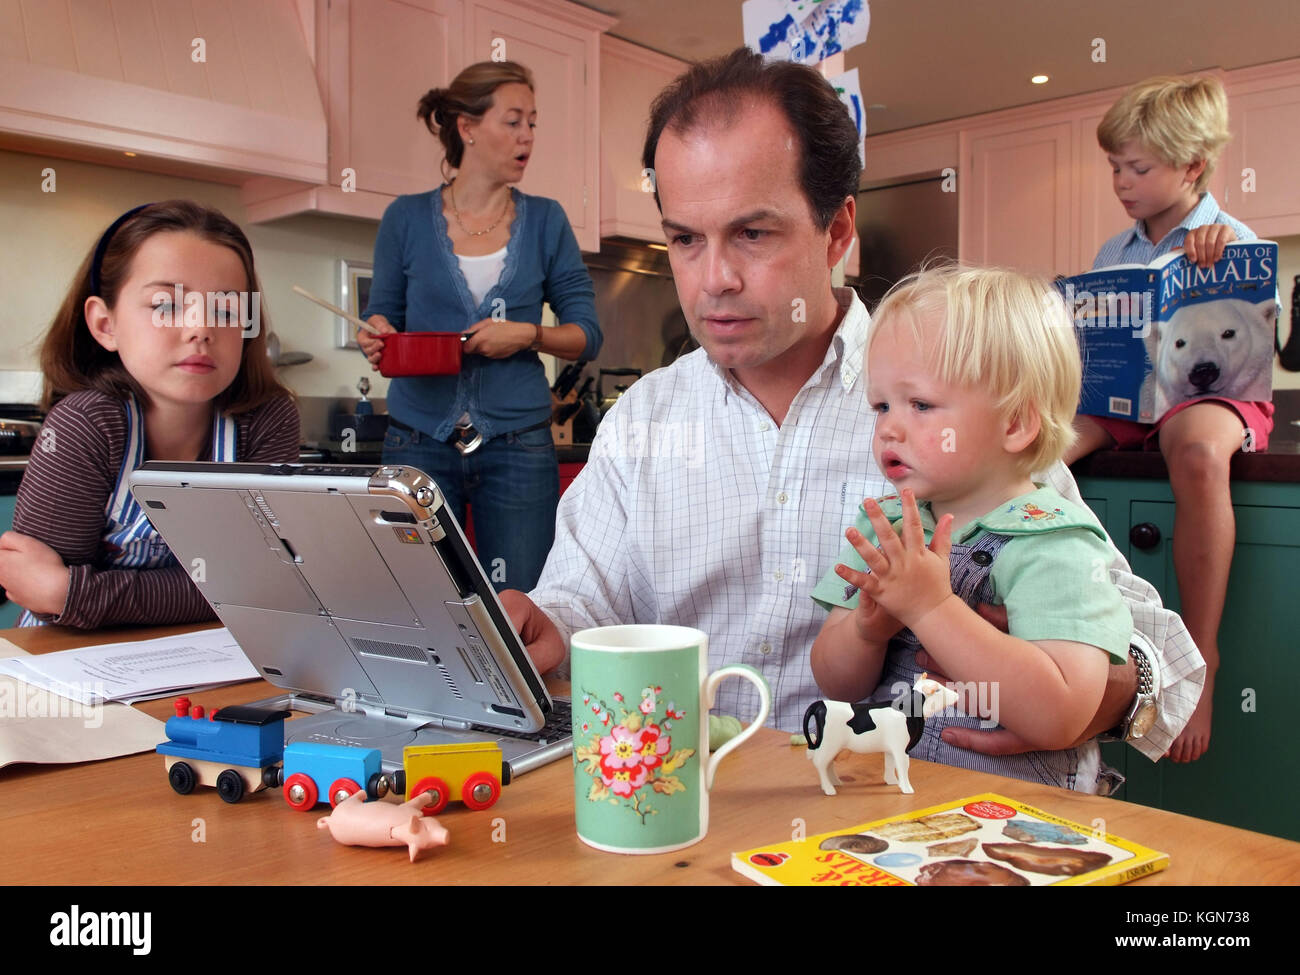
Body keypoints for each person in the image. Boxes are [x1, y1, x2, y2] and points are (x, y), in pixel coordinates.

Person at [501, 47, 1204, 771]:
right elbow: (581, 605)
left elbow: (1162, 668)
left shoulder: (952, 402)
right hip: (695, 819)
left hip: (896, 834)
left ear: (837, 232)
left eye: (752, 233)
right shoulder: (642, 421)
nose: (713, 279)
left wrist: (1081, 687)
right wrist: (547, 627)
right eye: (685, 239)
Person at [809, 266, 1132, 792]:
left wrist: (931, 608)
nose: (888, 426)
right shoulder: (889, 525)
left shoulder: (1056, 542)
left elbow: (1062, 714)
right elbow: (835, 681)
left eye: (920, 404)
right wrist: (866, 630)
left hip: (1019, 818)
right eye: (881, 406)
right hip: (893, 802)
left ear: (1014, 424)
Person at [1062, 75, 1268, 763]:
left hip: (1208, 398)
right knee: (1041, 450)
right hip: (1130, 398)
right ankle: (1063, 631)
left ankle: (1199, 661)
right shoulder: (1112, 255)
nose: (1121, 180)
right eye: (1115, 165)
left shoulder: (1229, 237)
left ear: (1193, 166)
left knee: (1201, 455)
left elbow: (1268, 334)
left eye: (1138, 167)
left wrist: (1222, 263)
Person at [358, 61, 601, 593]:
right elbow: (384, 319)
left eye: (532, 123)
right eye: (513, 121)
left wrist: (530, 335)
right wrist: (375, 336)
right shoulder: (405, 218)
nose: (527, 136)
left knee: (521, 604)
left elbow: (587, 333)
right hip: (417, 441)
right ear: (467, 128)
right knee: (420, 600)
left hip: (518, 446)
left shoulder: (546, 220)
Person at [0, 200, 300, 628]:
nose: (202, 329)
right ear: (105, 325)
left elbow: (268, 585)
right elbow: (42, 600)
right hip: (71, 672)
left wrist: (71, 591)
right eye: (166, 306)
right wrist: (221, 589)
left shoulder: (268, 420)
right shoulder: (84, 425)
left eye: (227, 310)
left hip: (210, 663)